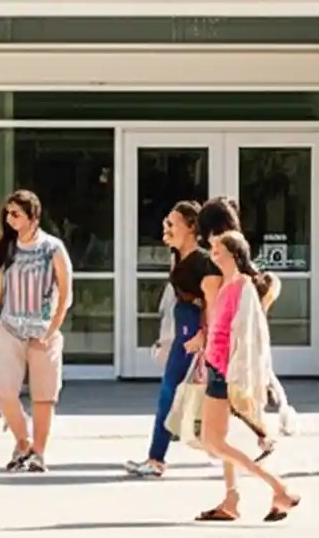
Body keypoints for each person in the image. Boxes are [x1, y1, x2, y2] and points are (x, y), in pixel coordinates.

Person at [197, 230, 298, 523]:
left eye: (218, 248)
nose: (213, 252)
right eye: (213, 248)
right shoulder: (228, 284)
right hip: (216, 368)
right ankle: (245, 496)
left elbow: (249, 336)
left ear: (233, 253)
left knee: (215, 441)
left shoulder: (242, 285)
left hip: (226, 371)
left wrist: (235, 372)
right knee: (213, 440)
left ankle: (279, 488)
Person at [0, 190, 72, 473]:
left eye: (16, 214)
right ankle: (22, 440)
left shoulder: (52, 248)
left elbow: (66, 292)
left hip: (43, 331)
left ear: (33, 215)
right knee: (5, 391)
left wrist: (52, 329)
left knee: (43, 396)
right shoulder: (6, 248)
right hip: (11, 327)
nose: (10, 219)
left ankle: (38, 453)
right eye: (8, 214)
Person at [125, 200, 221, 478]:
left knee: (177, 391)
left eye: (172, 223)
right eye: (166, 222)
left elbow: (211, 302)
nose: (165, 228)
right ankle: (156, 457)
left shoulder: (203, 262)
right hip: (183, 327)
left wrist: (204, 336)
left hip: (193, 330)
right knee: (173, 392)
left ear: (191, 228)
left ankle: (157, 459)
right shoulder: (178, 257)